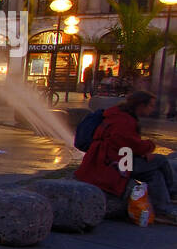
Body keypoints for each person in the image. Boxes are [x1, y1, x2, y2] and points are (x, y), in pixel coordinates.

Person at [75, 91, 177, 221]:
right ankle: (172, 193)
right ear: (140, 105)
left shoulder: (119, 114)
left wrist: (142, 151)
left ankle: (163, 209)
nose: (153, 109)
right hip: (114, 164)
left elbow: (126, 144)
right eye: (150, 106)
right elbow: (129, 143)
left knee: (154, 173)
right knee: (160, 160)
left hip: (115, 159)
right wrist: (149, 146)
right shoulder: (124, 120)